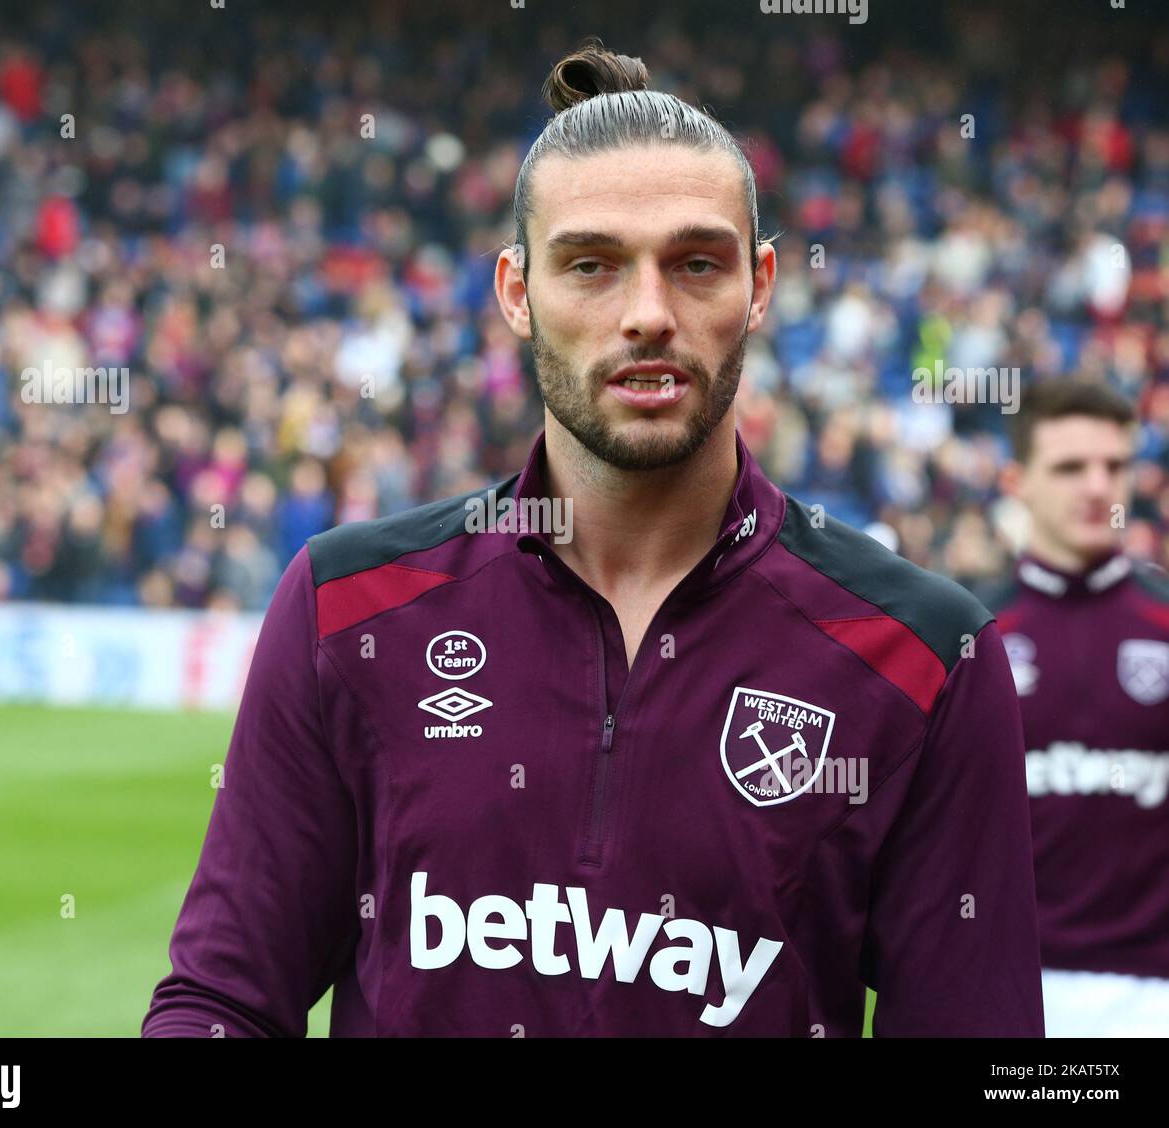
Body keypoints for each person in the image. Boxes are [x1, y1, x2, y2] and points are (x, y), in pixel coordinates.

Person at [142, 38, 1043, 1037]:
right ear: (518, 293)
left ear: (760, 285)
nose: (647, 314)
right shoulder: (348, 605)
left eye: (696, 264)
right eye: (592, 265)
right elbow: (223, 1001)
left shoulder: (922, 655)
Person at [977, 379, 1169, 1037]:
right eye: (1068, 467)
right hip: (1006, 991)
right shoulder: (967, 636)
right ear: (1016, 480)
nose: (1096, 487)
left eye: (1112, 466)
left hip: (1154, 993)